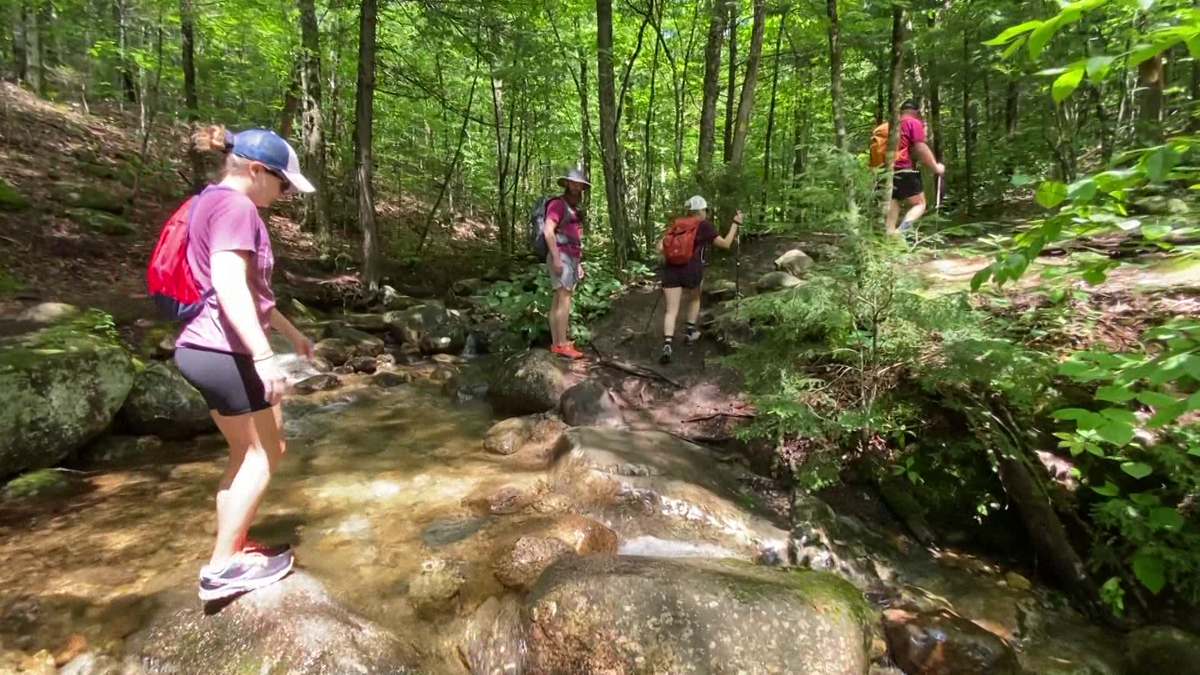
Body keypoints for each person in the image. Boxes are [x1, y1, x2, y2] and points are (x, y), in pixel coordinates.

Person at [174, 125, 316, 601]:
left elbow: (251, 295)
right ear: (256, 170)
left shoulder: (209, 201)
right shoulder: (237, 207)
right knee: (262, 455)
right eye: (283, 183)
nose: (286, 193)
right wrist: (263, 357)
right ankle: (221, 569)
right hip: (224, 350)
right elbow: (230, 283)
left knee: (253, 451)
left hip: (202, 347)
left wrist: (291, 333)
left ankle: (234, 544)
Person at [659, 196, 741, 364]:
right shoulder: (703, 226)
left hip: (671, 271)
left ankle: (667, 344)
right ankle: (689, 334)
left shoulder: (676, 224)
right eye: (705, 210)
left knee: (671, 310)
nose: (706, 213)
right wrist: (736, 224)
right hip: (692, 271)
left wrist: (674, 255)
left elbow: (660, 247)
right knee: (695, 299)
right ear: (701, 211)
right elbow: (725, 244)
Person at [544, 168, 590, 359]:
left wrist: (578, 263)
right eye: (573, 183)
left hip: (570, 256)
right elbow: (548, 230)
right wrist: (555, 258)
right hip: (561, 255)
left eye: (580, 184)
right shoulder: (557, 204)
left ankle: (557, 343)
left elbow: (573, 237)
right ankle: (562, 344)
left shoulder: (572, 207)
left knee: (558, 299)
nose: (577, 187)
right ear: (567, 184)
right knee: (564, 299)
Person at [885, 99, 945, 235]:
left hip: (885, 169)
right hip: (902, 167)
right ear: (916, 112)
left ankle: (889, 235)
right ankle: (901, 233)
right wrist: (936, 167)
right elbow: (920, 147)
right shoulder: (913, 122)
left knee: (894, 200)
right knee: (919, 204)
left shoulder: (891, 124)